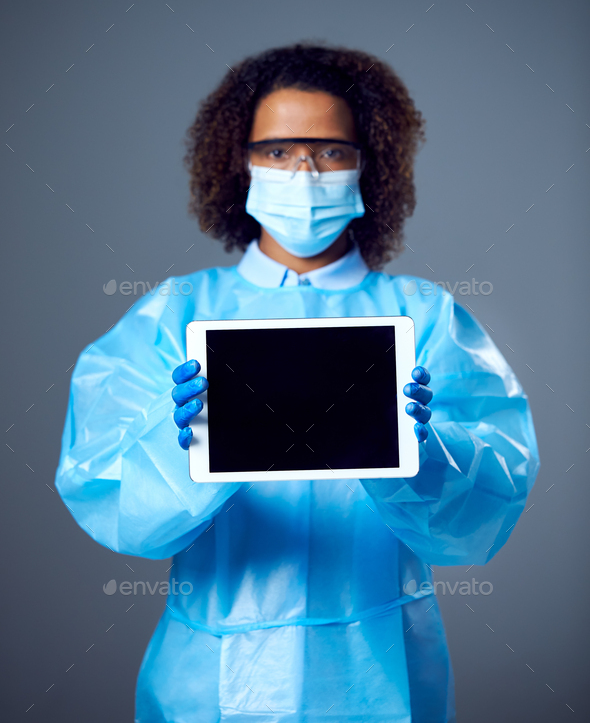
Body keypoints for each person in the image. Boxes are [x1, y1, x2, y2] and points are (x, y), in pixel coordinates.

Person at [56, 44, 539, 723]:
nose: (304, 172)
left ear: (371, 162)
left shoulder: (425, 318)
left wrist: (426, 453)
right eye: (278, 151)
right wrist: (182, 448)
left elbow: (487, 505)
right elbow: (102, 484)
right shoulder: (175, 315)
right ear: (238, 161)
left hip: (380, 675)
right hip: (208, 682)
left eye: (331, 151)